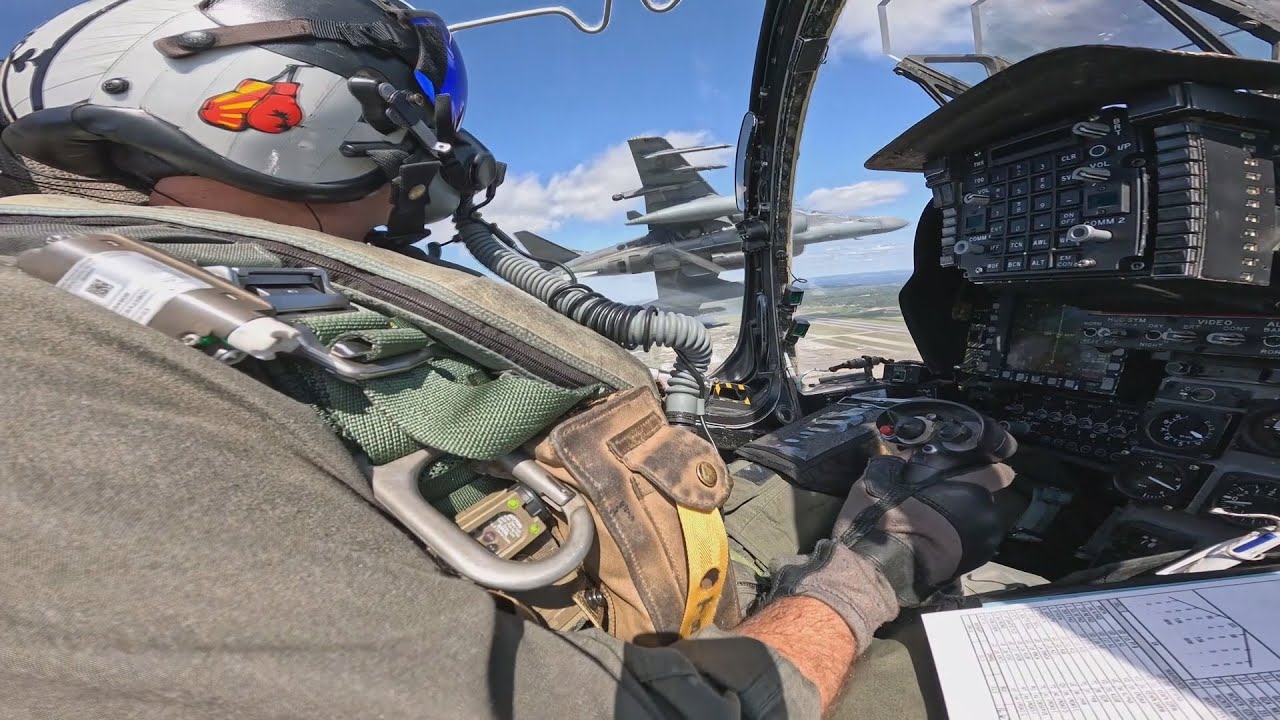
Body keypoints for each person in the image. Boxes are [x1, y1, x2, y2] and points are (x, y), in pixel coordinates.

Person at [0, 2, 1021, 717]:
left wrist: (776, 475)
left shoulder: (239, 286)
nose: (442, 132)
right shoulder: (47, 363)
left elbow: (494, 502)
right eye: (414, 94)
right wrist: (867, 575)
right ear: (308, 111)